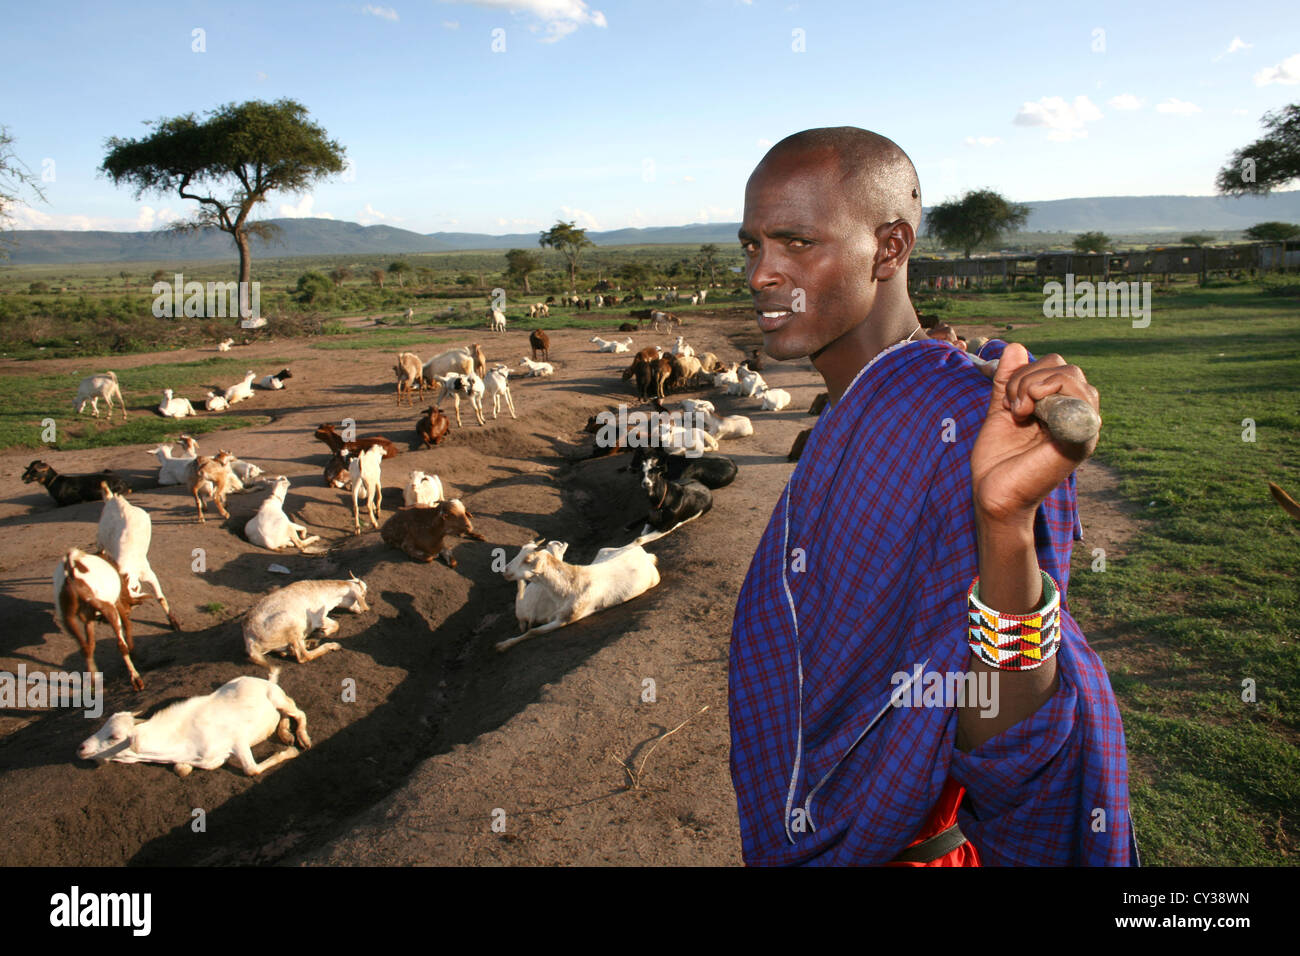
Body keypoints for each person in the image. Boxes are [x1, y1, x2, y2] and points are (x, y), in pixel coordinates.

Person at [729, 127, 1135, 866]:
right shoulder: (859, 412)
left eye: (795, 242)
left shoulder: (958, 422)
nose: (761, 272)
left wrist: (1005, 524)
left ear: (889, 248)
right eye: (751, 245)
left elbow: (1009, 740)